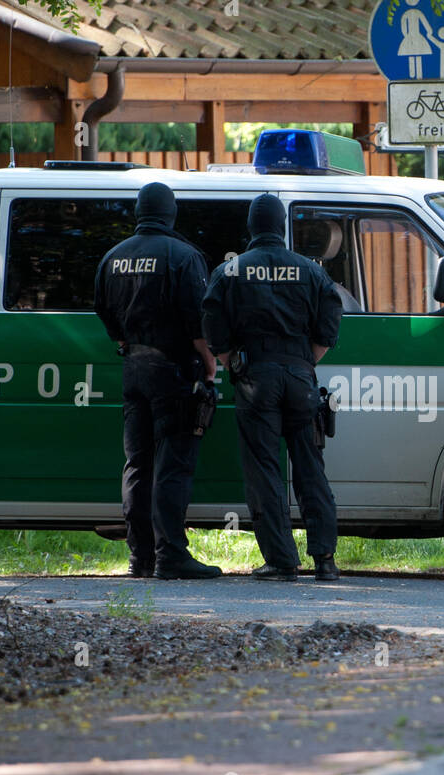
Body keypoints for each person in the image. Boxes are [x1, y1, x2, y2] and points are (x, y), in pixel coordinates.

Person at [202, 194, 342, 582]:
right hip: (300, 378)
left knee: (264, 470)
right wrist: (303, 363)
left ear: (251, 226)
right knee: (311, 468)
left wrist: (233, 362)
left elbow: (213, 325)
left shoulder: (230, 271)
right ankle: (325, 560)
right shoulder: (311, 271)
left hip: (255, 380)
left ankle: (282, 561)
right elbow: (329, 328)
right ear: (282, 226)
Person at [94, 181, 222, 581]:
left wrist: (128, 342)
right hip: (174, 370)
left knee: (138, 463)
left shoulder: (112, 257)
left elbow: (105, 312)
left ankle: (141, 557)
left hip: (133, 367)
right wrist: (209, 360)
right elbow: (196, 318)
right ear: (171, 214)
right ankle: (171, 556)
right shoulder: (182, 256)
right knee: (173, 463)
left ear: (139, 212)